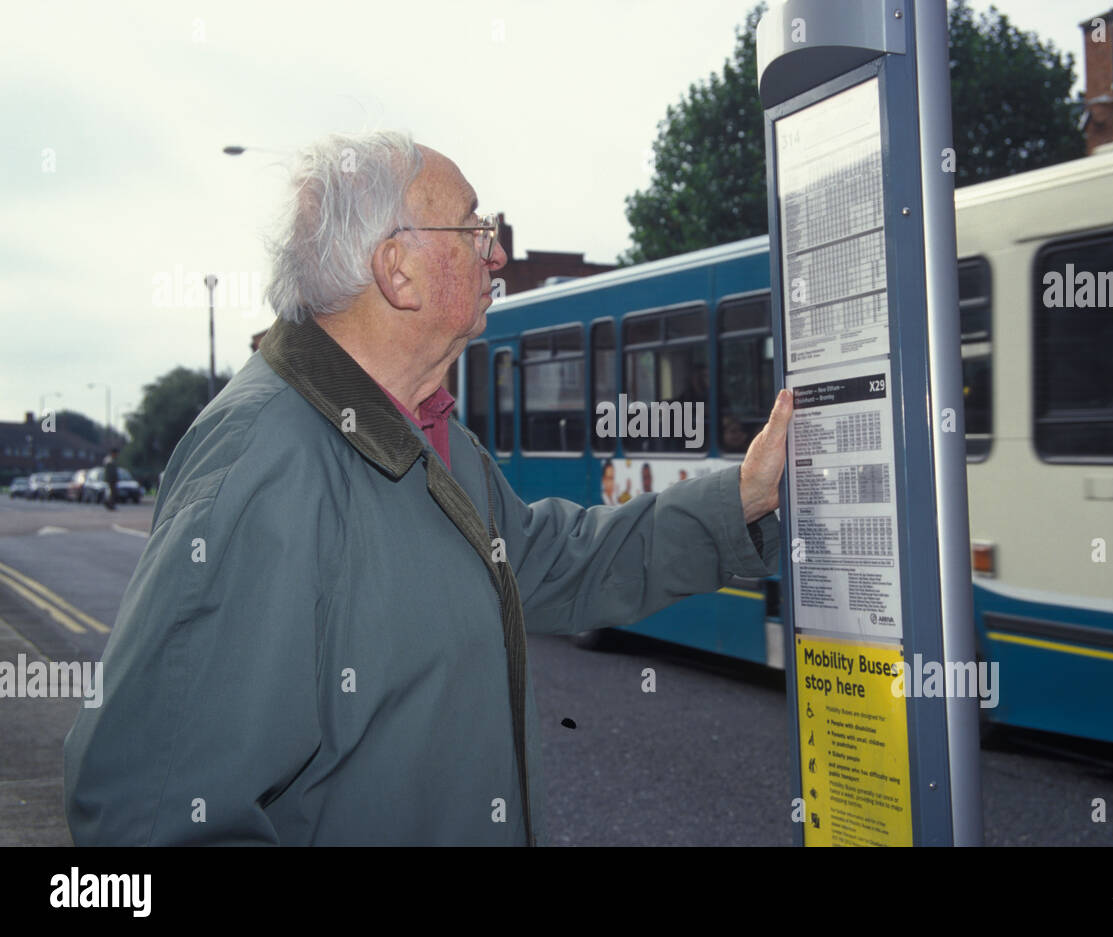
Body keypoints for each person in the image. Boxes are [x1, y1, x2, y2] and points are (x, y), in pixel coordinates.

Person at [64, 131, 791, 846]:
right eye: (475, 227)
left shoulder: (431, 436)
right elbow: (148, 812)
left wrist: (744, 496)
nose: (497, 252)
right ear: (397, 271)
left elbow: (560, 561)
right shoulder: (263, 463)